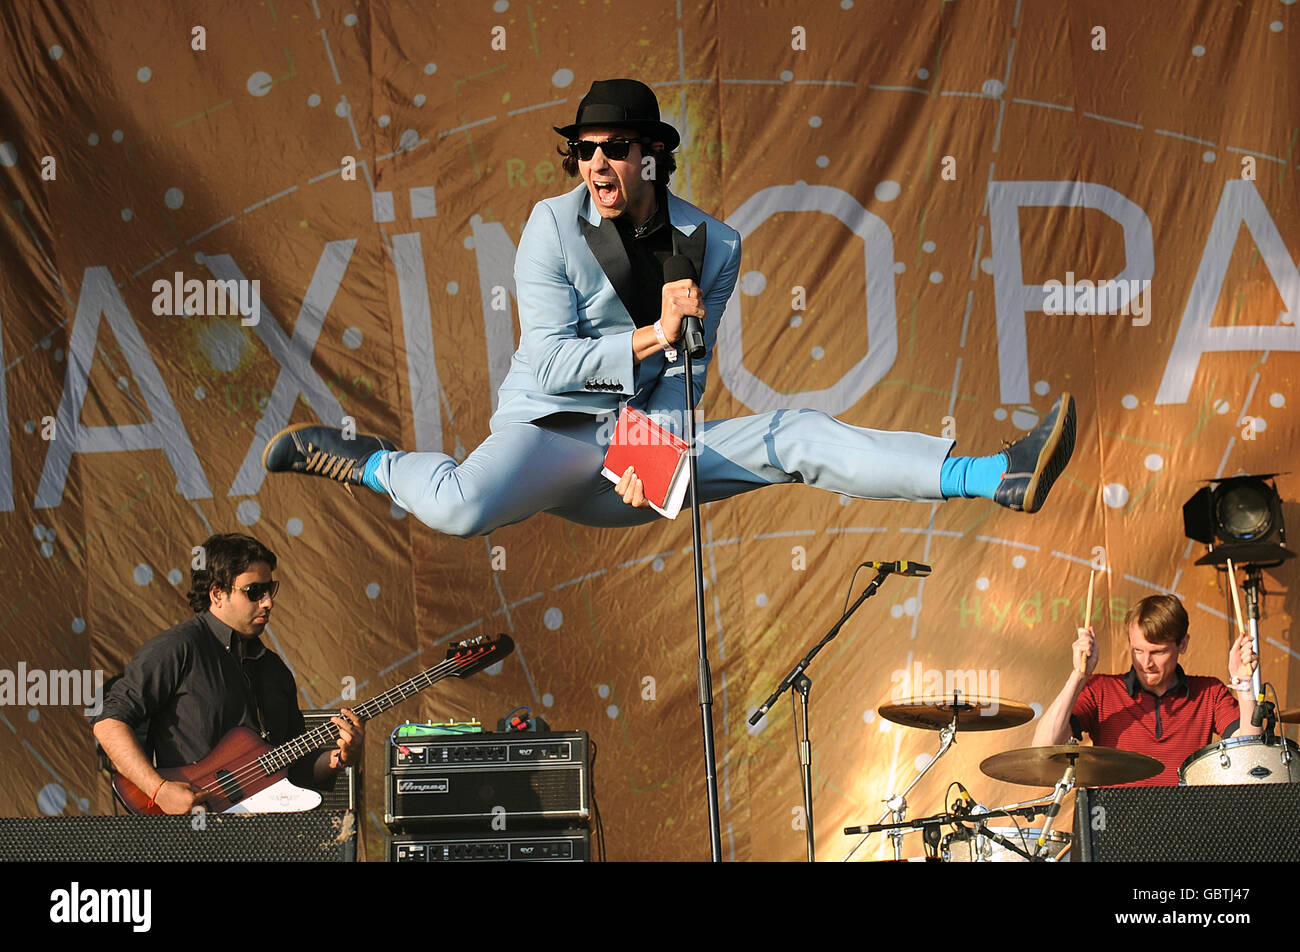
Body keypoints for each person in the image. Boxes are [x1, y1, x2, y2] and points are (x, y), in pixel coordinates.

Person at [261, 78, 1076, 536]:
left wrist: (648, 456)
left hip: (639, 451)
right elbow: (544, 362)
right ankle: (366, 458)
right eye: (583, 150)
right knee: (459, 508)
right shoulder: (550, 225)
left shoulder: (713, 246)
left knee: (791, 436)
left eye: (614, 147)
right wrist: (653, 332)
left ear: (653, 154)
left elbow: (687, 379)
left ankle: (991, 474)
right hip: (552, 429)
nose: (596, 164)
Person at [93, 533, 363, 815]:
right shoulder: (176, 648)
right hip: (196, 831)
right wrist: (159, 790)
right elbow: (108, 723)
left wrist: (340, 757)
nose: (268, 602)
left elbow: (293, 764)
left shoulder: (275, 670)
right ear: (217, 594)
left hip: (267, 836)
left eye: (270, 589)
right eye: (254, 592)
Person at [1032, 593, 1260, 786]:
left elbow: (1250, 753)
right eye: (1138, 651)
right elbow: (1042, 748)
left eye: (1157, 652)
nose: (1146, 663)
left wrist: (1244, 684)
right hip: (1115, 828)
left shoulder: (1209, 692)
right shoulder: (1100, 690)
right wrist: (1079, 675)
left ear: (1183, 644)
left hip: (1187, 827)